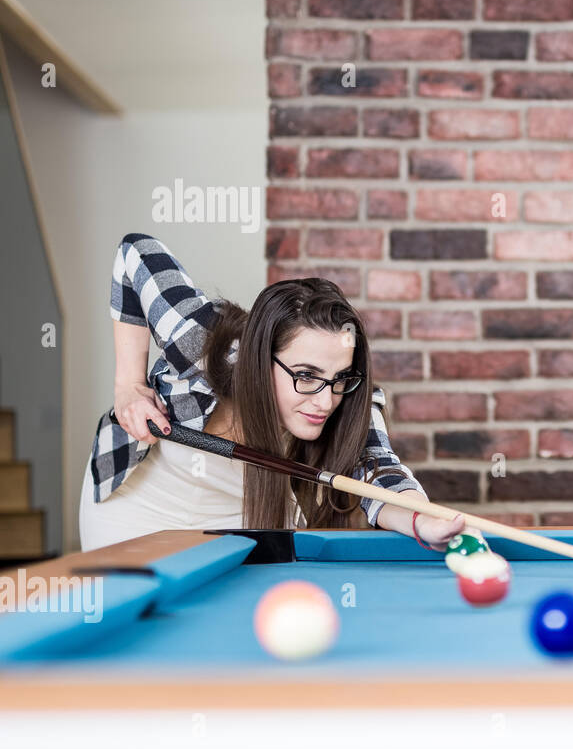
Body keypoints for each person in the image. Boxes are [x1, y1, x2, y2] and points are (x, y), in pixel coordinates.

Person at [79, 233, 464, 551]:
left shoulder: (350, 397)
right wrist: (128, 385)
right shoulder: (204, 347)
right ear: (262, 360)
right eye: (306, 375)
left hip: (240, 522)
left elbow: (380, 472)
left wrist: (422, 520)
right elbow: (136, 252)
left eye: (340, 377)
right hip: (137, 509)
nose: (326, 400)